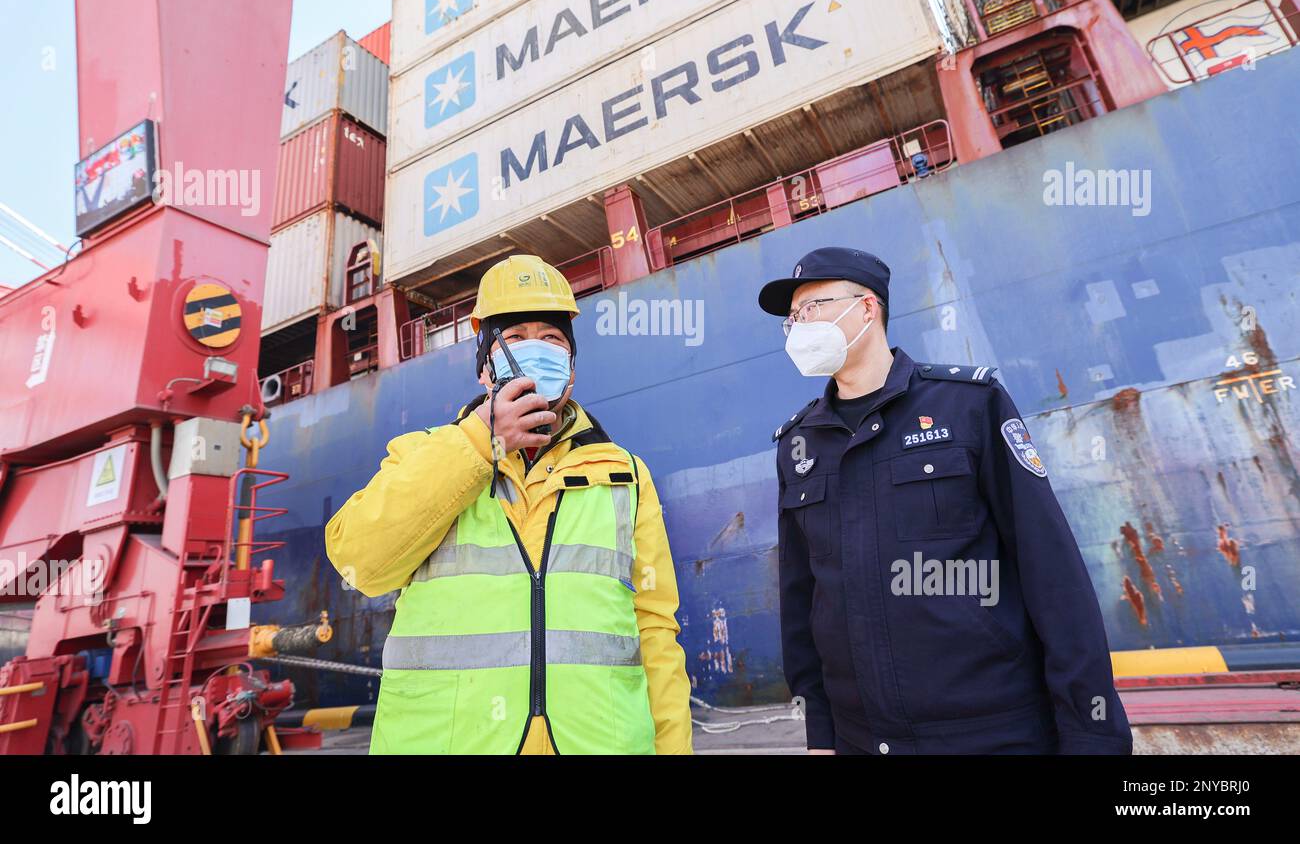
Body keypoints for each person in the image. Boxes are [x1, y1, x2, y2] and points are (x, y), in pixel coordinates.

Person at [759, 247, 1131, 754]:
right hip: (862, 739)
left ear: (867, 308)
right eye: (793, 318)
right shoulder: (798, 446)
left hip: (991, 734)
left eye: (814, 307)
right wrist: (820, 731)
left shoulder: (969, 405)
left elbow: (1051, 570)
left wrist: (1093, 734)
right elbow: (803, 599)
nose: (800, 326)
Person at [325, 254, 692, 754]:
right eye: (514, 337)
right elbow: (359, 563)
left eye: (553, 338)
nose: (535, 349)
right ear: (484, 368)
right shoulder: (421, 456)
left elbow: (654, 634)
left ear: (572, 369)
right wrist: (481, 443)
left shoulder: (624, 476)